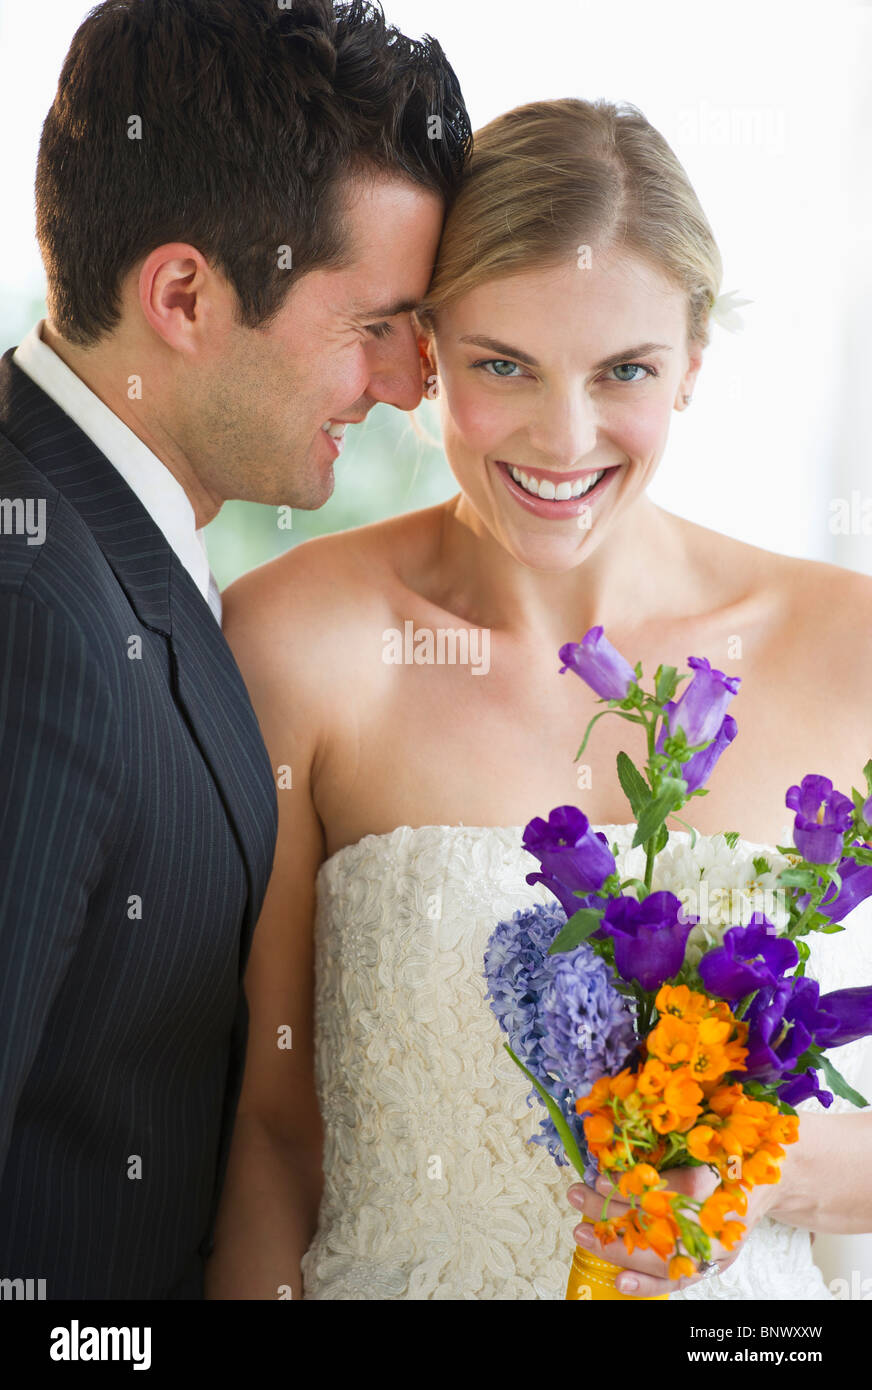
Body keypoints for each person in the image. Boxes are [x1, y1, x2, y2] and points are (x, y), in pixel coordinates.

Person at [214, 96, 872, 1300]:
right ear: (426, 353)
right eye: (501, 365)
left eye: (622, 369)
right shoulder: (294, 637)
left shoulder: (850, 644)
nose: (561, 439)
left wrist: (760, 1170)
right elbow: (270, 1130)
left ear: (690, 366)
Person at [0, 0, 470, 1299]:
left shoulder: (119, 551)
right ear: (185, 296)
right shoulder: (33, 614)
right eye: (374, 323)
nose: (395, 386)